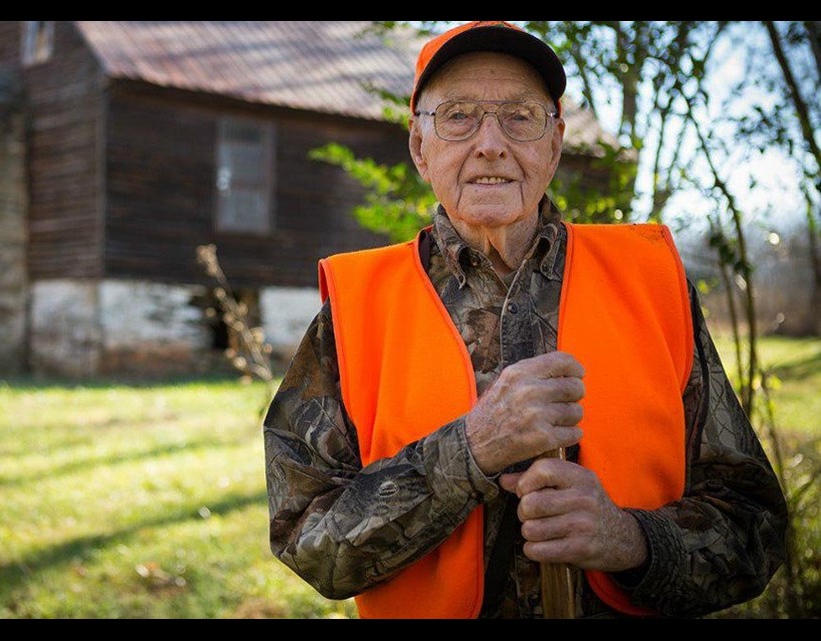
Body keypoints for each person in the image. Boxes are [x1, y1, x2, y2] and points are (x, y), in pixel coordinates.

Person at [262, 20, 789, 619]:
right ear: (418, 148)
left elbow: (756, 530)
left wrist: (630, 540)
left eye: (519, 116)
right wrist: (472, 449)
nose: (490, 143)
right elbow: (311, 547)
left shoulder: (651, 283)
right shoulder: (355, 310)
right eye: (458, 116)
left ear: (555, 144)